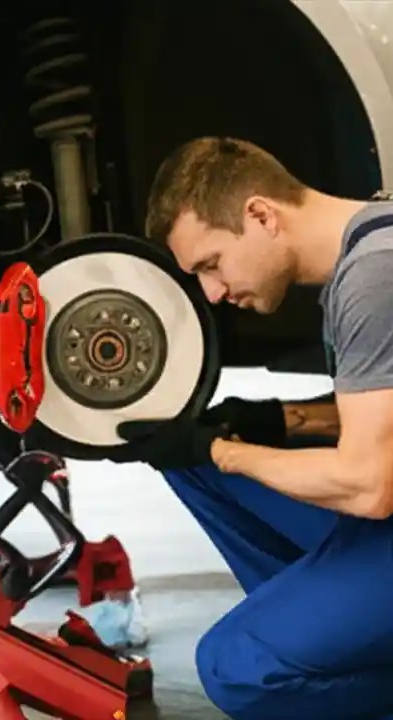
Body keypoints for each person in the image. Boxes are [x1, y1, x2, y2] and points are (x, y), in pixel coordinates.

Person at [114, 136, 393, 719]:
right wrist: (271, 420)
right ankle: (336, 642)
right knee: (189, 462)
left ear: (261, 215)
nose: (211, 293)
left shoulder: (374, 276)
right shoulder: (371, 245)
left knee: (236, 667)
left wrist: (223, 450)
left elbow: (370, 487)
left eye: (211, 265)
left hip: (382, 506)